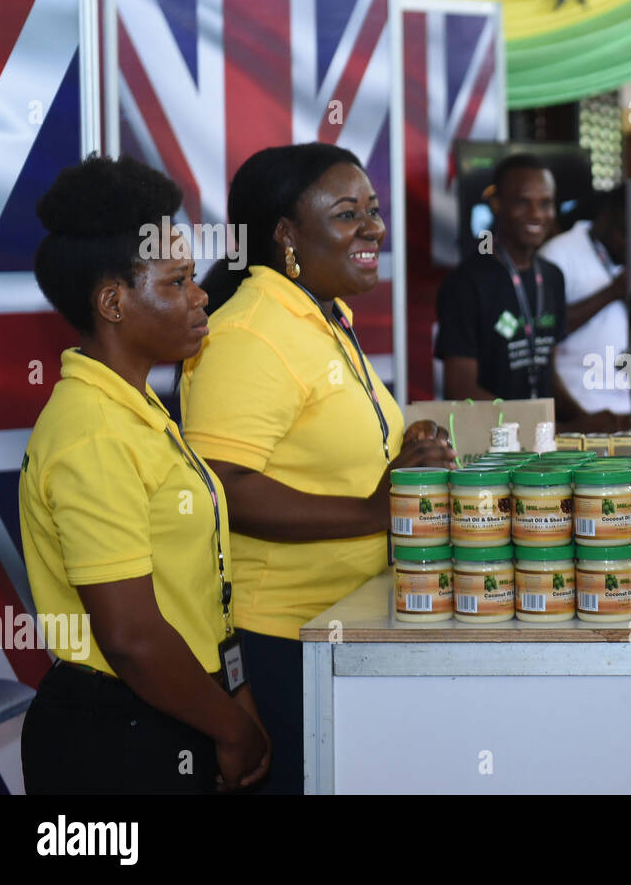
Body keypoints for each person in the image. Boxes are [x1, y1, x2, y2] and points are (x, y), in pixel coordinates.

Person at [182, 143, 454, 794]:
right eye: (346, 213)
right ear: (285, 235)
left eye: (374, 210)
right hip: (282, 638)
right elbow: (223, 488)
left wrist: (407, 447)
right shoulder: (250, 331)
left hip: (344, 623)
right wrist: (372, 508)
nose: (373, 228)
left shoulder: (324, 316)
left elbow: (323, 452)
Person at [19, 155, 270, 794]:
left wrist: (231, 695)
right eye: (178, 281)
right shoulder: (94, 433)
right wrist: (233, 730)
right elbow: (131, 637)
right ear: (113, 301)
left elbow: (196, 588)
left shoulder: (136, 408)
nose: (200, 294)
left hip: (179, 710)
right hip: (115, 737)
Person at [436, 154, 569, 401]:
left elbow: (546, 374)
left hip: (541, 437)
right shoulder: (466, 283)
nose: (537, 215)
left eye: (545, 203)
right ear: (497, 204)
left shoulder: (552, 277)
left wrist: (583, 421)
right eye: (523, 202)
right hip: (486, 437)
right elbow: (461, 390)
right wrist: (530, 426)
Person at [539, 185, 631, 431]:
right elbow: (545, 328)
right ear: (605, 219)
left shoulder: (630, 258)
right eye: (626, 233)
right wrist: (611, 293)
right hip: (579, 410)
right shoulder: (558, 255)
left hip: (626, 409)